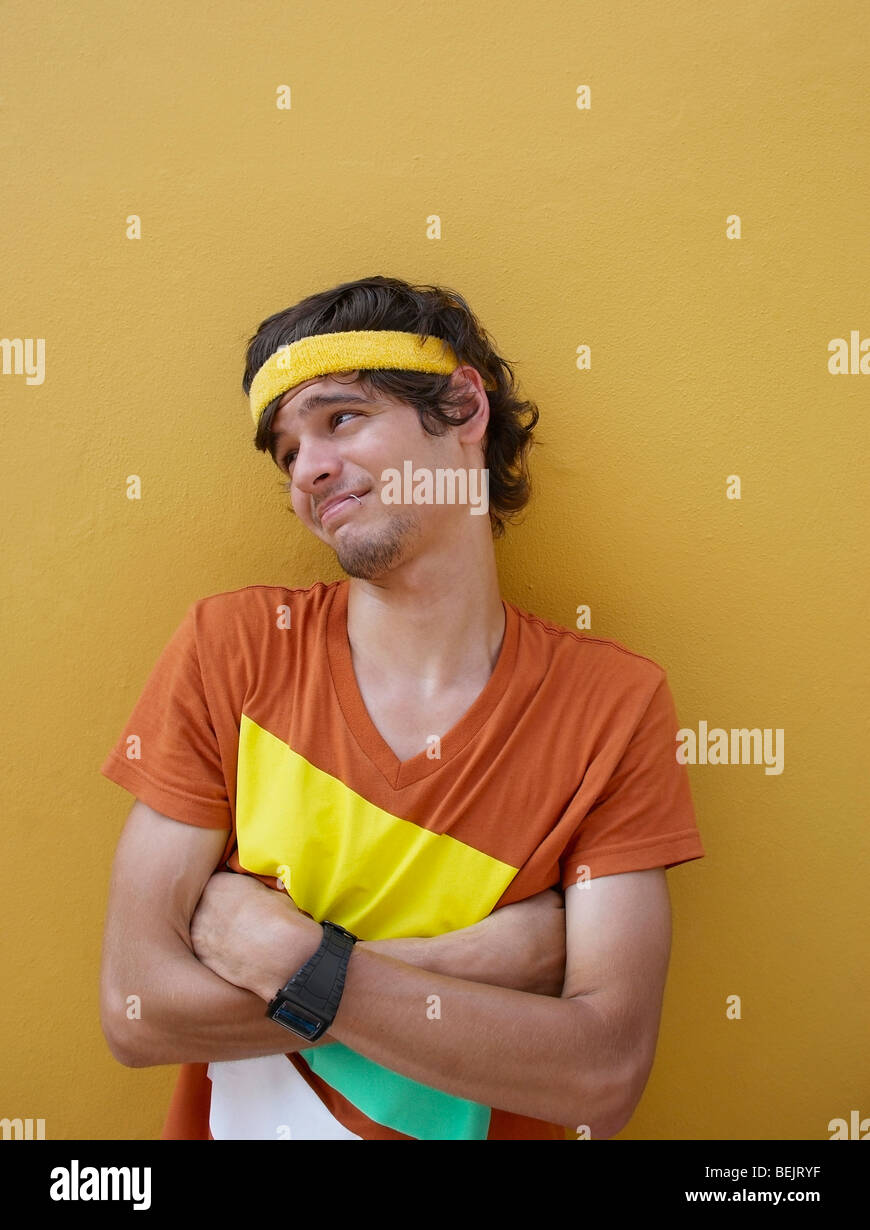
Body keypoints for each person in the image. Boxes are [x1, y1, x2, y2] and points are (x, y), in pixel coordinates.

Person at [98, 274, 704, 1140]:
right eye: (286, 450)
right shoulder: (231, 649)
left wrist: (285, 958)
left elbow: (601, 1074)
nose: (308, 468)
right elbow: (135, 1013)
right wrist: (461, 965)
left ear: (461, 406)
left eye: (340, 418)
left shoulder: (612, 707)